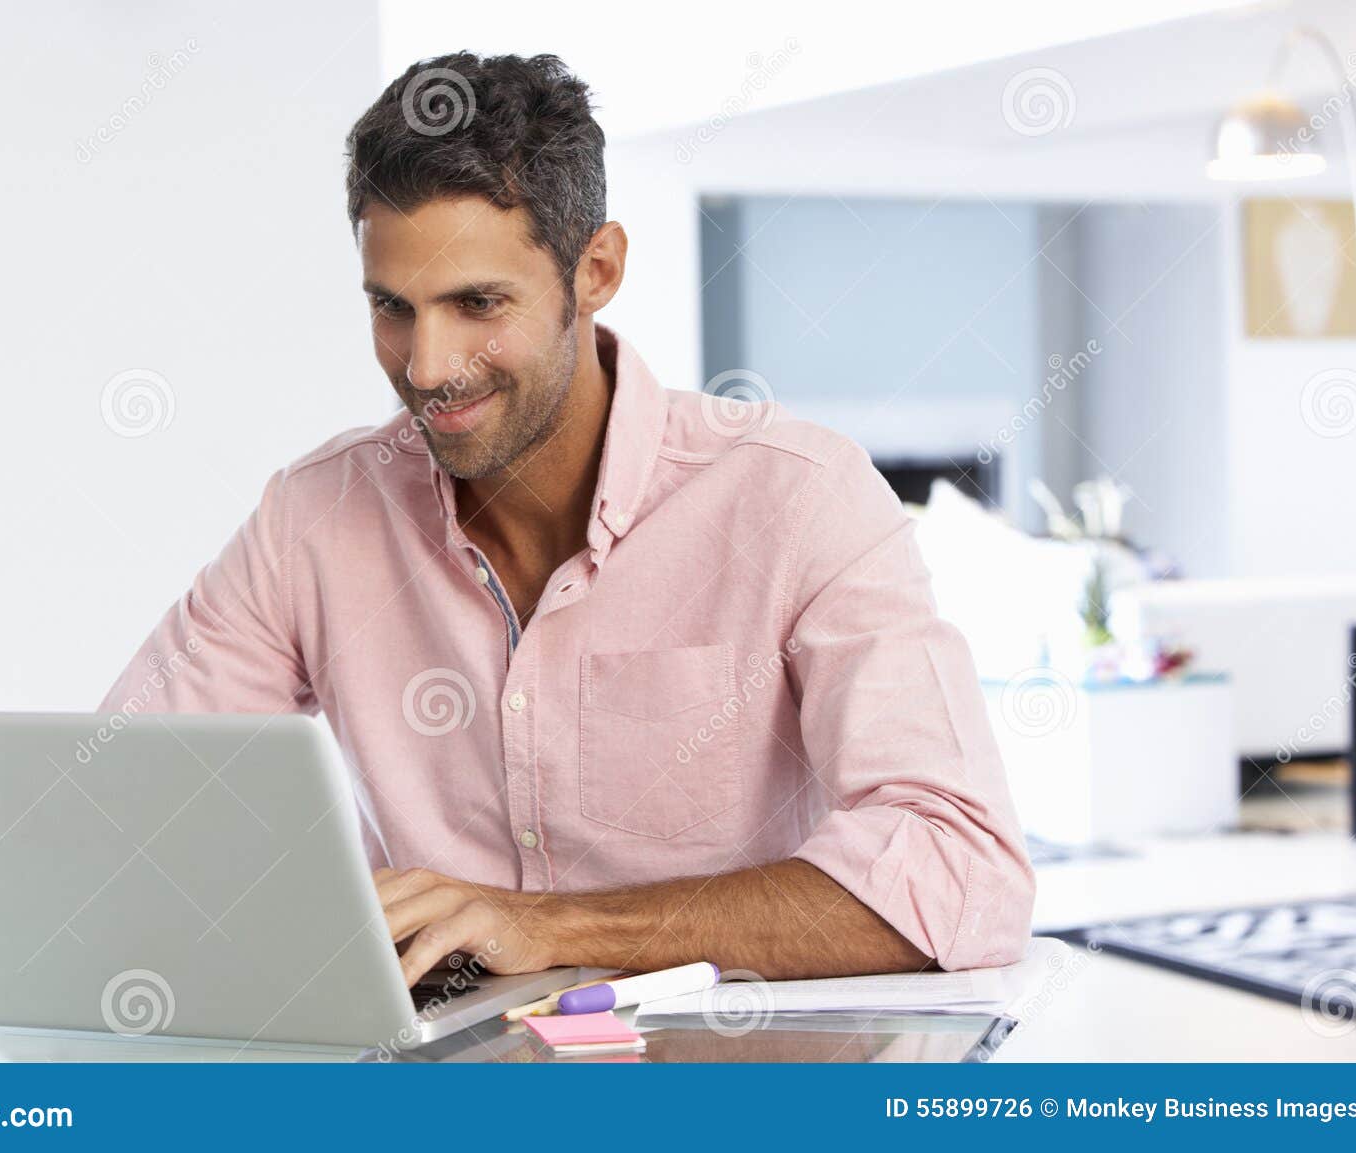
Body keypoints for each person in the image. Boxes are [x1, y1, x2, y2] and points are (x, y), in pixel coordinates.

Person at [101, 51, 1034, 987]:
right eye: (393, 307)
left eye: (477, 303)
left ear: (596, 270)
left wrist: (551, 927)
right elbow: (126, 799)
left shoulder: (796, 496)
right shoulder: (316, 516)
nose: (426, 367)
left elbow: (960, 868)